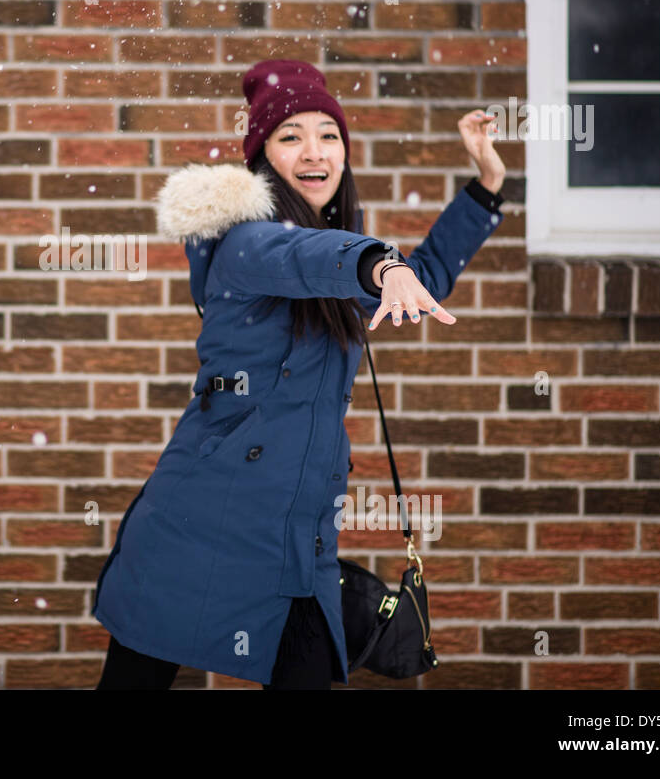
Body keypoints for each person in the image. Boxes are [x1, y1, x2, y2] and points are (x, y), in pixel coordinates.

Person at [92, 59, 506, 689]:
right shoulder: (246, 243)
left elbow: (416, 281)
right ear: (262, 158)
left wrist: (485, 186)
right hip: (197, 525)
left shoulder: (333, 261)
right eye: (291, 136)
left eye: (329, 135)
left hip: (297, 543)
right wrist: (379, 264)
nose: (315, 152)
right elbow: (303, 256)